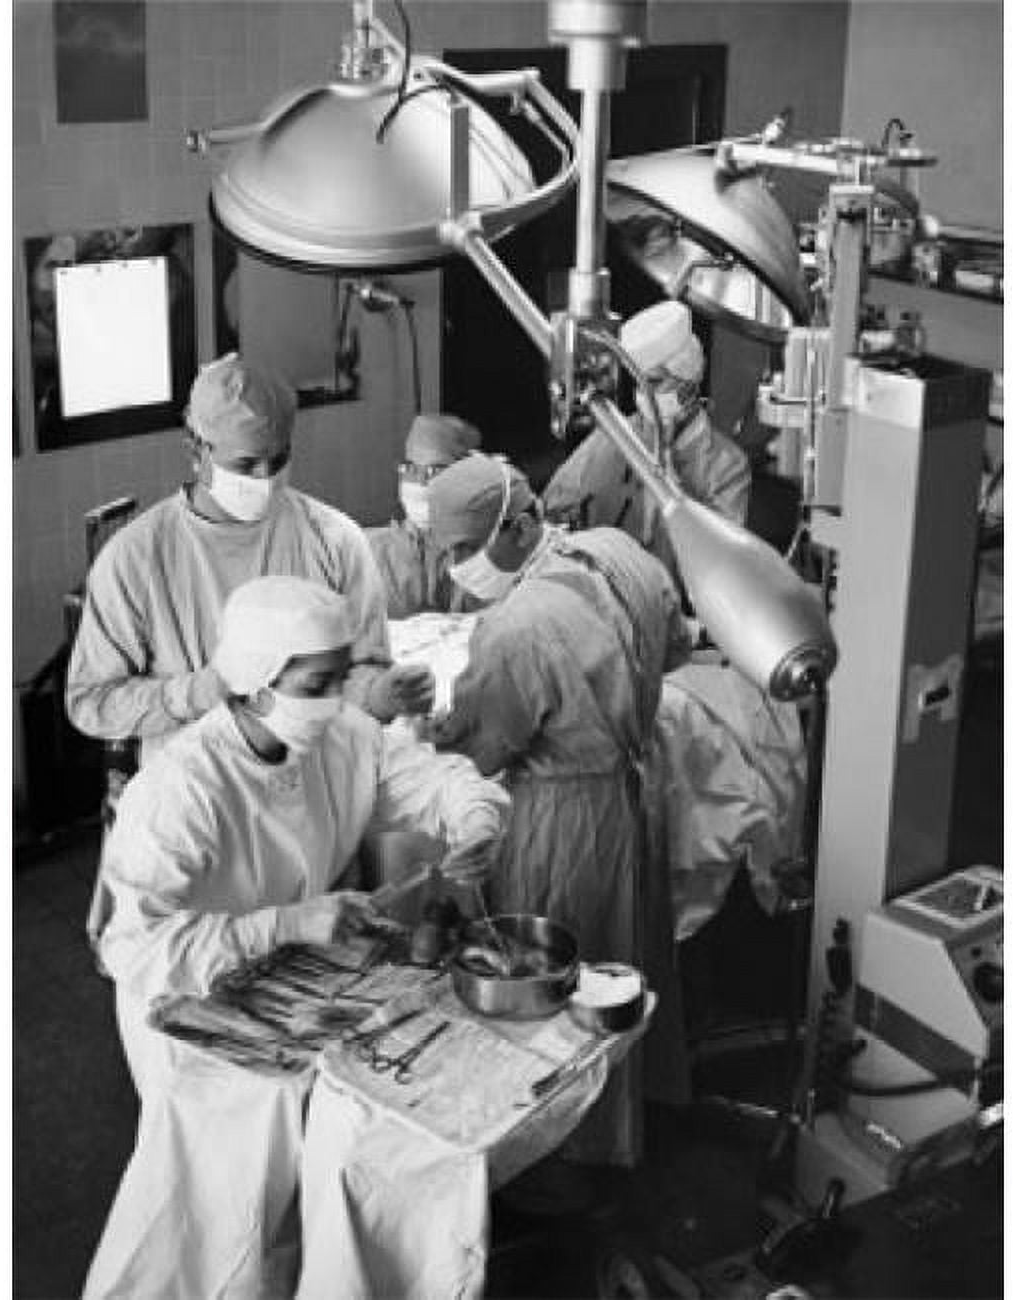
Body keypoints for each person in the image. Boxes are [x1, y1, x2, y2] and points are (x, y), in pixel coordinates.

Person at [84, 575, 508, 1298]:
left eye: (341, 679)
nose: (334, 699)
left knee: (304, 1188)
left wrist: (474, 817)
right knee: (214, 1214)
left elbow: (431, 780)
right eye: (316, 683)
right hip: (188, 1011)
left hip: (291, 984)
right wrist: (280, 924)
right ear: (252, 682)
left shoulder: (341, 737)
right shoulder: (182, 786)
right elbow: (134, 949)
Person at [66, 353, 435, 938]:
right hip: (194, 819)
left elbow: (355, 671)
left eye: (277, 461)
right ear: (196, 447)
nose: (263, 479)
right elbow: (92, 702)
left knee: (314, 981)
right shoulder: (138, 560)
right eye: (245, 463)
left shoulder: (333, 541)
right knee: (202, 970)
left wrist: (379, 689)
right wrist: (202, 689)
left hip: (310, 811)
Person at [425, 452, 692, 1168]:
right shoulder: (618, 551)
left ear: (516, 525)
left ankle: (564, 1159)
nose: (454, 566)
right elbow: (678, 645)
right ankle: (628, 1122)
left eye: (461, 548)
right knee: (622, 959)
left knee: (551, 995)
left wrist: (426, 717)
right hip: (634, 791)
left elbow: (478, 748)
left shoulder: (516, 627)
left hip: (561, 819)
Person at [542, 299, 752, 586]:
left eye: (653, 383)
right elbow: (555, 504)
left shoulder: (726, 465)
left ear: (687, 385)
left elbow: (722, 568)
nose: (643, 395)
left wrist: (669, 479)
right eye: (638, 383)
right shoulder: (616, 433)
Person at [365, 412, 482, 618]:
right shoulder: (374, 552)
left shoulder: (491, 555)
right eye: (410, 469)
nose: (418, 483)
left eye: (434, 471)